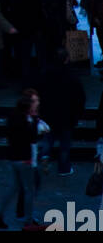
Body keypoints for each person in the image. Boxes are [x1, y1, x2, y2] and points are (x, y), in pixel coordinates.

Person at [0, 89, 43, 229]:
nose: (38, 103)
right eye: (36, 100)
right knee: (29, 190)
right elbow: (31, 137)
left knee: (14, 187)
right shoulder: (28, 119)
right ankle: (28, 221)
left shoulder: (14, 115)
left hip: (13, 157)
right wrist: (36, 122)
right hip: (25, 158)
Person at [37, 47, 86, 177]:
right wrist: (79, 113)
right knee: (65, 143)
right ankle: (63, 168)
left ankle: (44, 155)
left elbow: (39, 93)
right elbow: (80, 97)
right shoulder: (72, 77)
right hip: (67, 115)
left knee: (48, 138)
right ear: (66, 59)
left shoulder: (45, 74)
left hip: (49, 113)